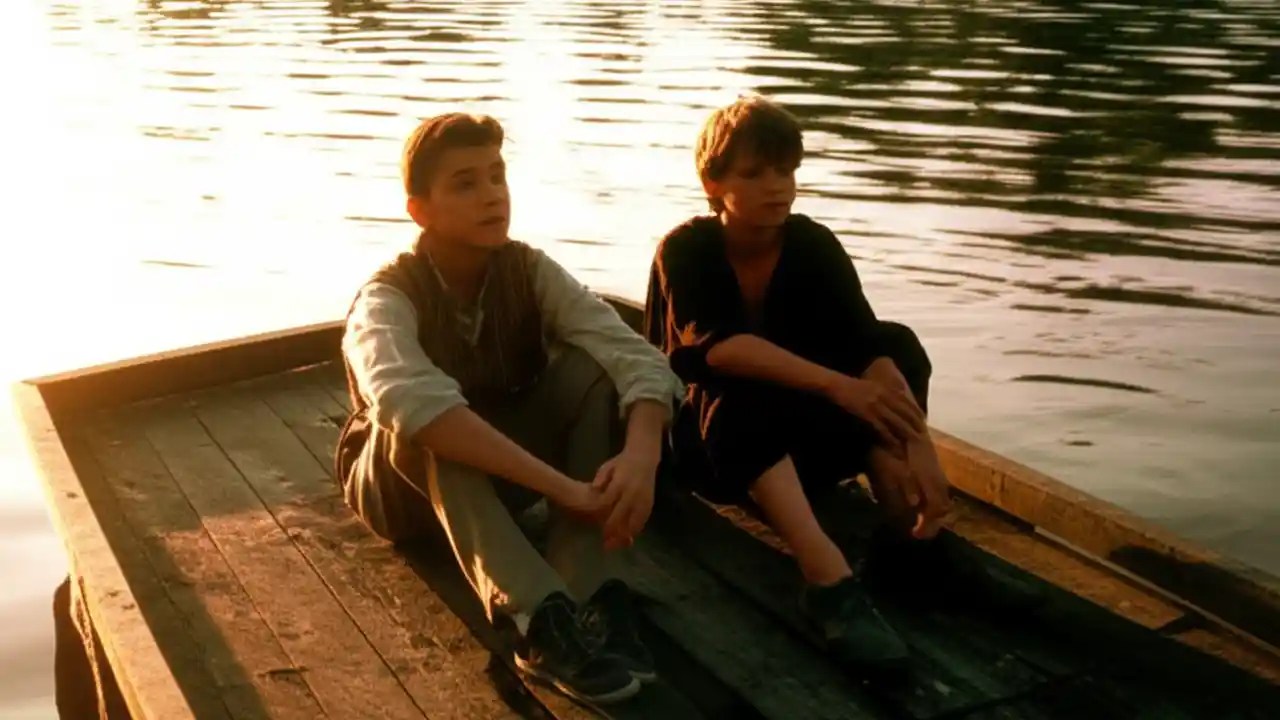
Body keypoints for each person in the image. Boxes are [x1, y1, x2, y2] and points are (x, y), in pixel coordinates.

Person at [644, 95, 1037, 675]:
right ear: (713, 182)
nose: (777, 186)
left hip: (800, 444)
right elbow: (718, 348)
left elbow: (868, 344)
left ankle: (912, 541)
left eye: (787, 170)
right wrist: (837, 388)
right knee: (738, 392)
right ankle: (827, 578)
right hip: (712, 449)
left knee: (895, 344)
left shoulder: (810, 243)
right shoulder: (687, 249)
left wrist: (920, 448)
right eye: (754, 174)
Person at [336, 112, 684, 705]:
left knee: (597, 373)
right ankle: (537, 620)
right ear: (419, 209)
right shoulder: (385, 298)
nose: (492, 195)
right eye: (465, 183)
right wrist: (566, 490)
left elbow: (637, 356)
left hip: (503, 480)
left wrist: (642, 456)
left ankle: (587, 596)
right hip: (404, 494)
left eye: (497, 176)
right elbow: (411, 403)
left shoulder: (528, 269)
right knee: (428, 426)